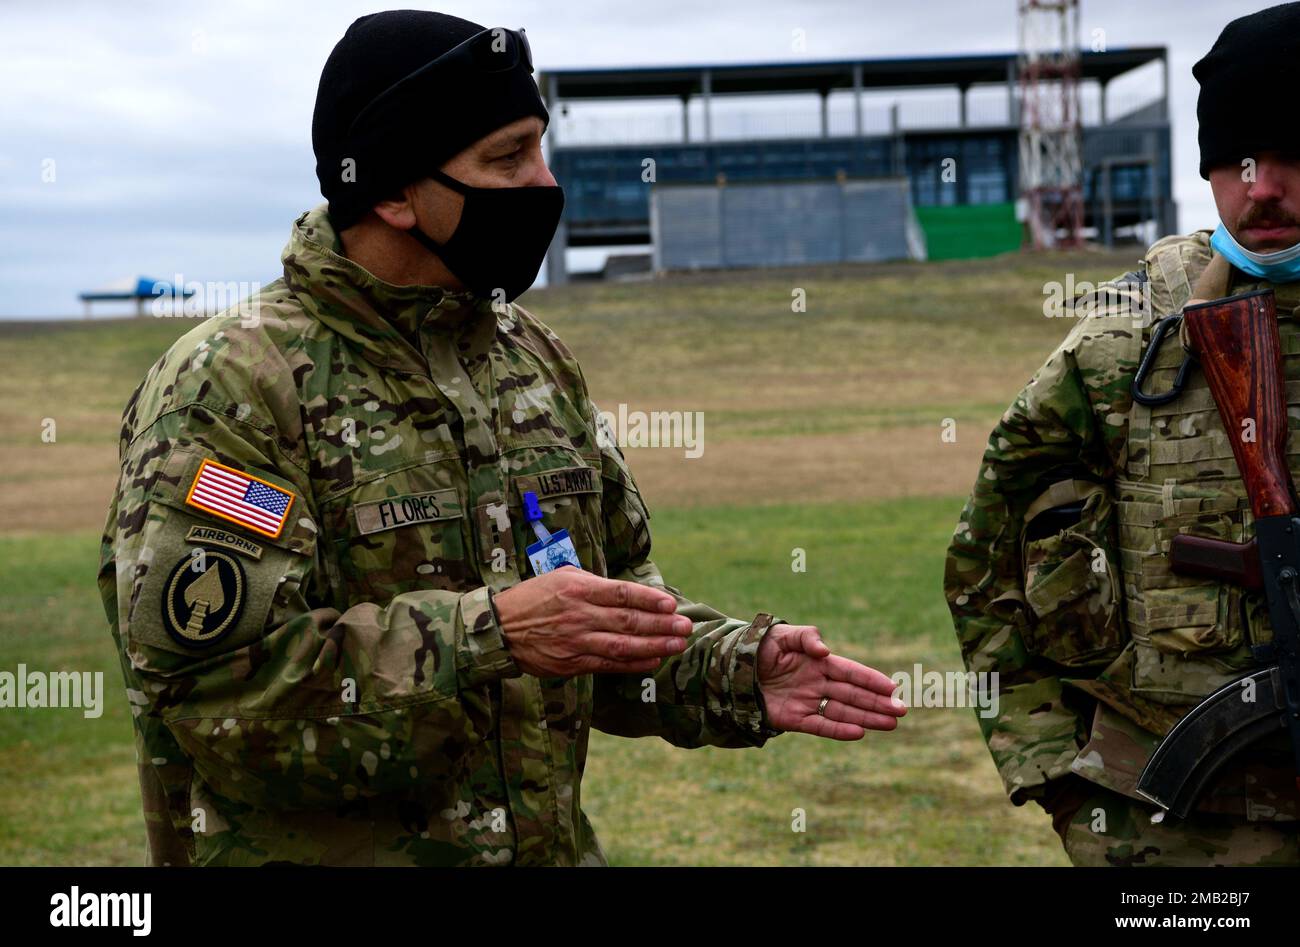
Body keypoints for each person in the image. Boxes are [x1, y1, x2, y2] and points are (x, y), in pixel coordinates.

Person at [97, 9, 906, 867]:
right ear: (394, 192)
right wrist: (493, 636)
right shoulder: (233, 386)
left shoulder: (532, 358)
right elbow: (214, 697)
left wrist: (734, 667)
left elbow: (605, 616)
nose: (543, 182)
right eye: (506, 157)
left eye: (539, 149)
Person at [946, 2, 1300, 865]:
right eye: (1236, 161)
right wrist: (1055, 772)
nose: (1263, 187)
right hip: (1176, 830)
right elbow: (987, 559)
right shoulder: (1123, 341)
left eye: (1294, 154)